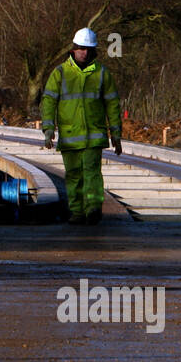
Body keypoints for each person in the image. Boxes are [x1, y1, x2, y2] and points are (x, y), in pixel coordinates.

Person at [41, 27, 122, 225]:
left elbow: (112, 104)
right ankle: (77, 211)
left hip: (94, 135)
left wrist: (116, 134)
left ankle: (93, 208)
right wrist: (48, 129)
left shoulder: (102, 74)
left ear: (93, 51)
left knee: (92, 174)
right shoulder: (60, 73)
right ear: (73, 49)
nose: (84, 52)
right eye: (81, 48)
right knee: (74, 175)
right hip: (70, 136)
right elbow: (49, 101)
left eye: (88, 49)